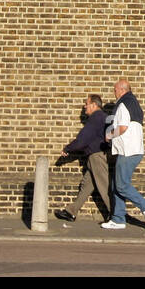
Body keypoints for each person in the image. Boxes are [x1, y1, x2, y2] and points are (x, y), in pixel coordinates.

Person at [102, 79, 145, 230]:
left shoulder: (123, 103)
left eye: (115, 90)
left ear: (122, 89)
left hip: (128, 151)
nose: (114, 93)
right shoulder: (133, 103)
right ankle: (118, 219)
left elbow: (123, 126)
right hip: (133, 150)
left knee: (121, 185)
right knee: (116, 185)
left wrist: (109, 135)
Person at [55, 94, 111, 223]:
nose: (85, 107)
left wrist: (67, 149)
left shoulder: (96, 117)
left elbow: (83, 139)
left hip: (97, 156)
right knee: (86, 185)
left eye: (86, 104)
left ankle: (115, 215)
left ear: (94, 105)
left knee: (104, 185)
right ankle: (71, 212)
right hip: (96, 156)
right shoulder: (102, 117)